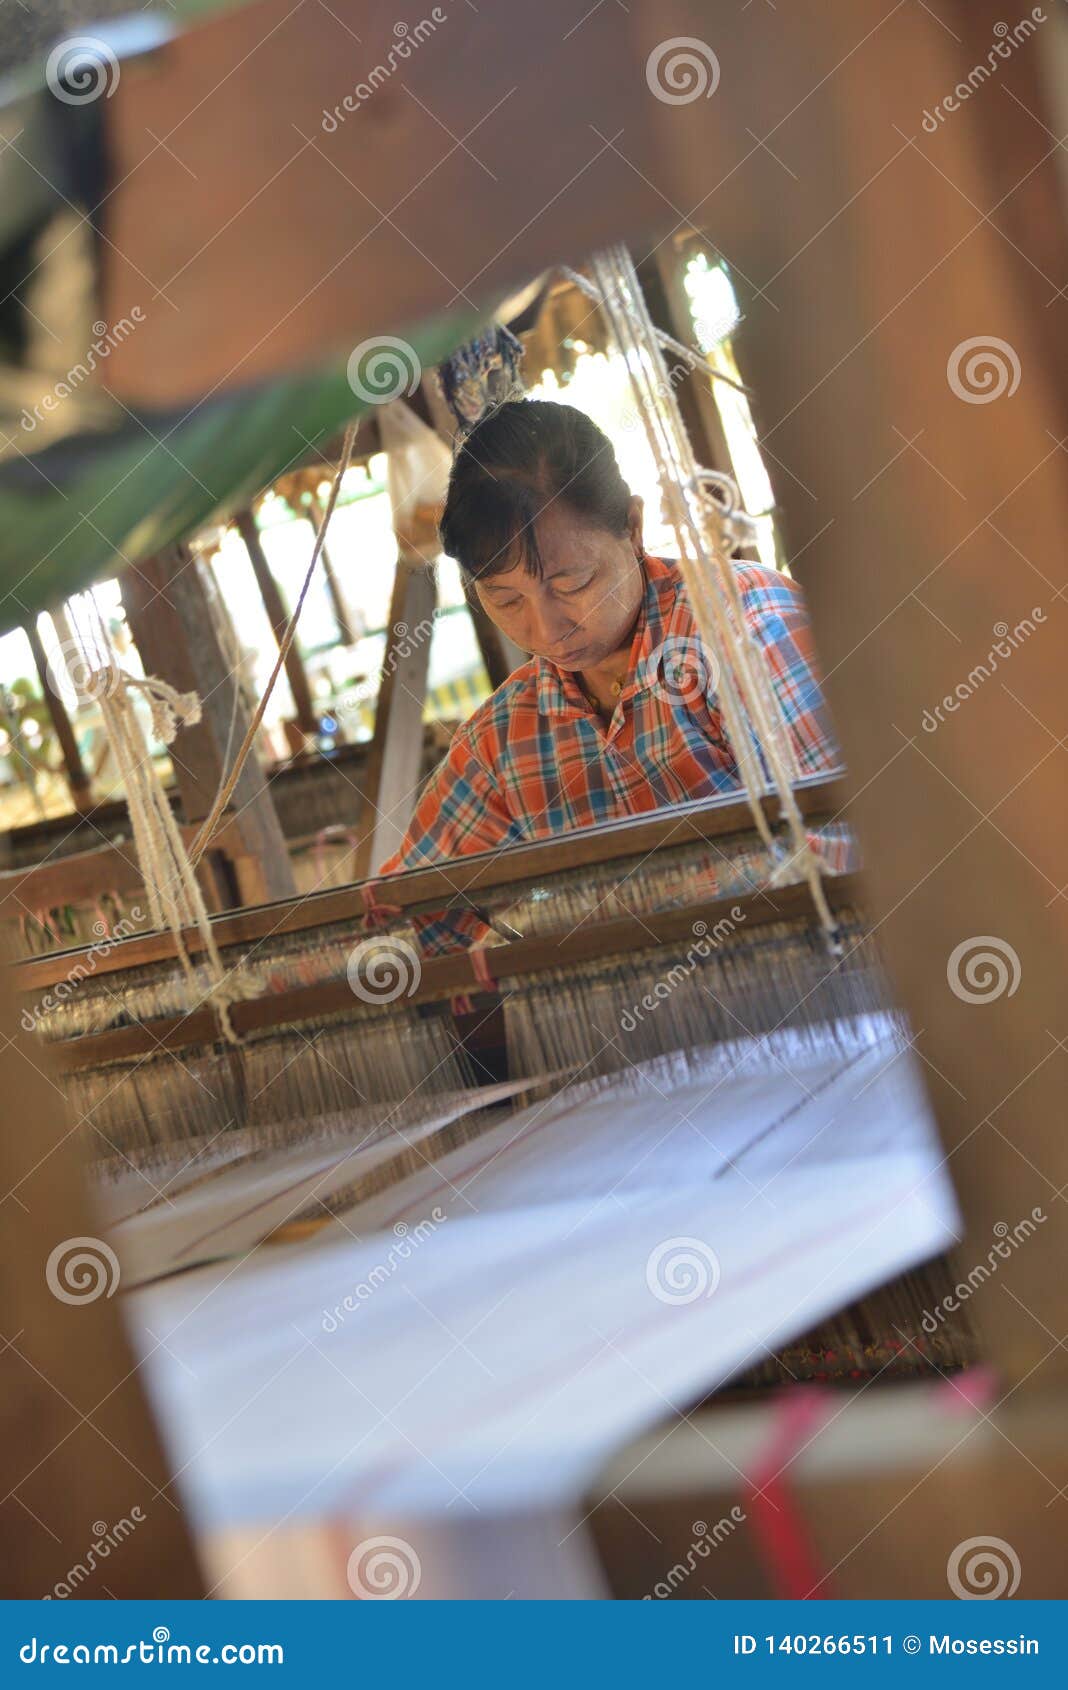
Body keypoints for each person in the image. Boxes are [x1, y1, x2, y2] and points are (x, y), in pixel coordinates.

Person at [380, 400, 837, 900]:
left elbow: (850, 836)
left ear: (633, 527)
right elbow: (416, 915)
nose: (547, 629)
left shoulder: (745, 632)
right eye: (505, 598)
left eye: (573, 583)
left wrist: (625, 917)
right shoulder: (504, 742)